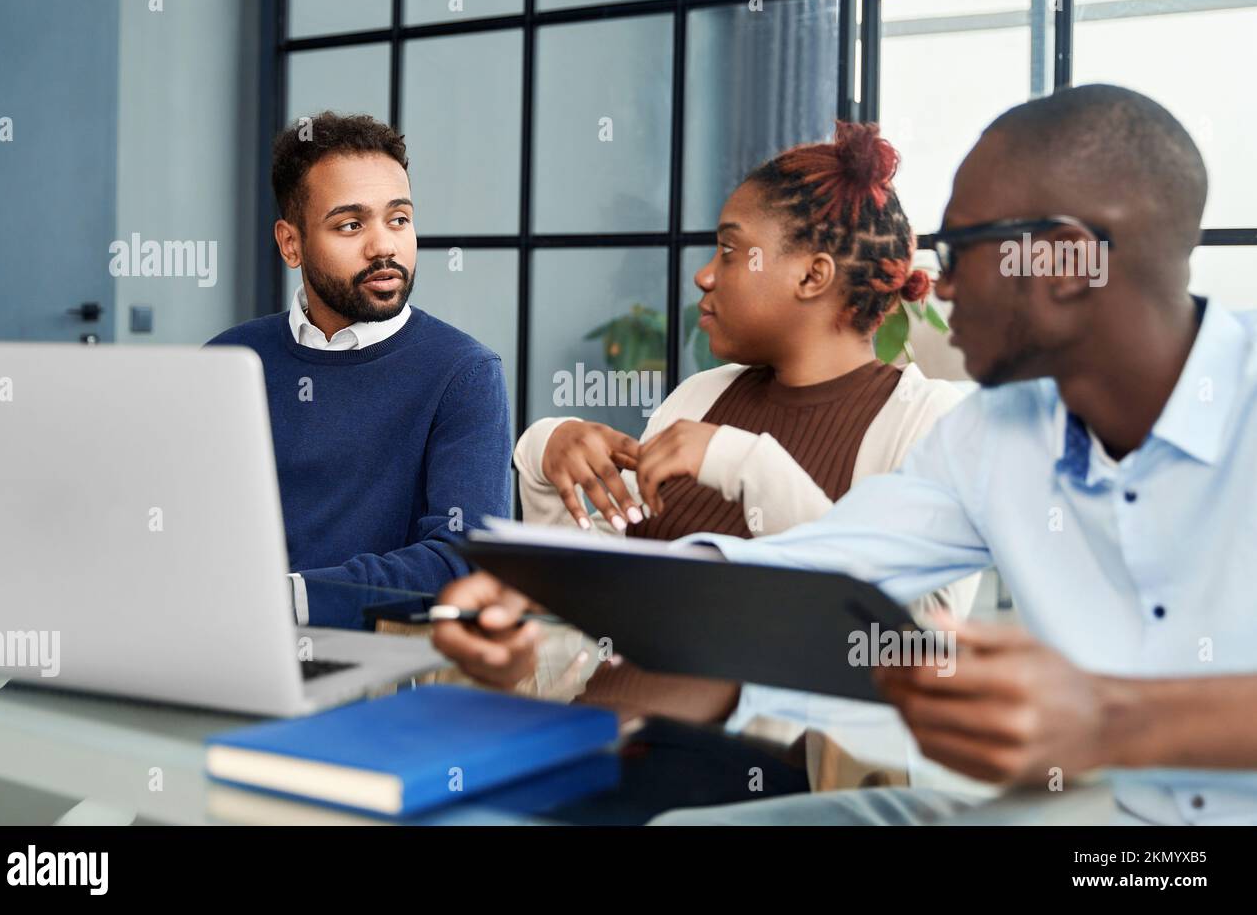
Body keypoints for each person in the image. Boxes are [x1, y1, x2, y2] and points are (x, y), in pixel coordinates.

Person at [436, 85, 1257, 825]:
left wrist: (1110, 718)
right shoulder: (992, 435)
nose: (934, 287)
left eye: (960, 250)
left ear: (1064, 260)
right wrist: (553, 581)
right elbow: (823, 569)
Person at [444, 122, 975, 741]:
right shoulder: (701, 396)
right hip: (580, 737)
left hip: (740, 775)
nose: (704, 275)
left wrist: (746, 464)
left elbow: (913, 644)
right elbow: (591, 599)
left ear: (813, 276)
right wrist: (547, 453)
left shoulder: (928, 420)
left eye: (729, 250)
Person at [207, 112, 511, 630]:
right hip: (218, 637)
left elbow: (463, 561)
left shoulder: (464, 375)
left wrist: (287, 600)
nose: (384, 247)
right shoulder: (228, 360)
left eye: (399, 219)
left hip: (373, 655)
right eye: (351, 225)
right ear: (291, 244)